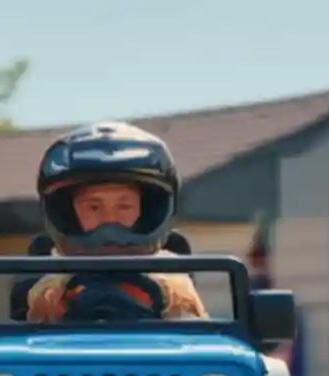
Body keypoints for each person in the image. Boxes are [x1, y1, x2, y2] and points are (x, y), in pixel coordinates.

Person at [23, 121, 207, 323]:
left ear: (148, 211)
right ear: (68, 212)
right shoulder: (47, 281)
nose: (109, 220)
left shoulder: (174, 281)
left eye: (124, 207)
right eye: (93, 207)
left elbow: (192, 343)